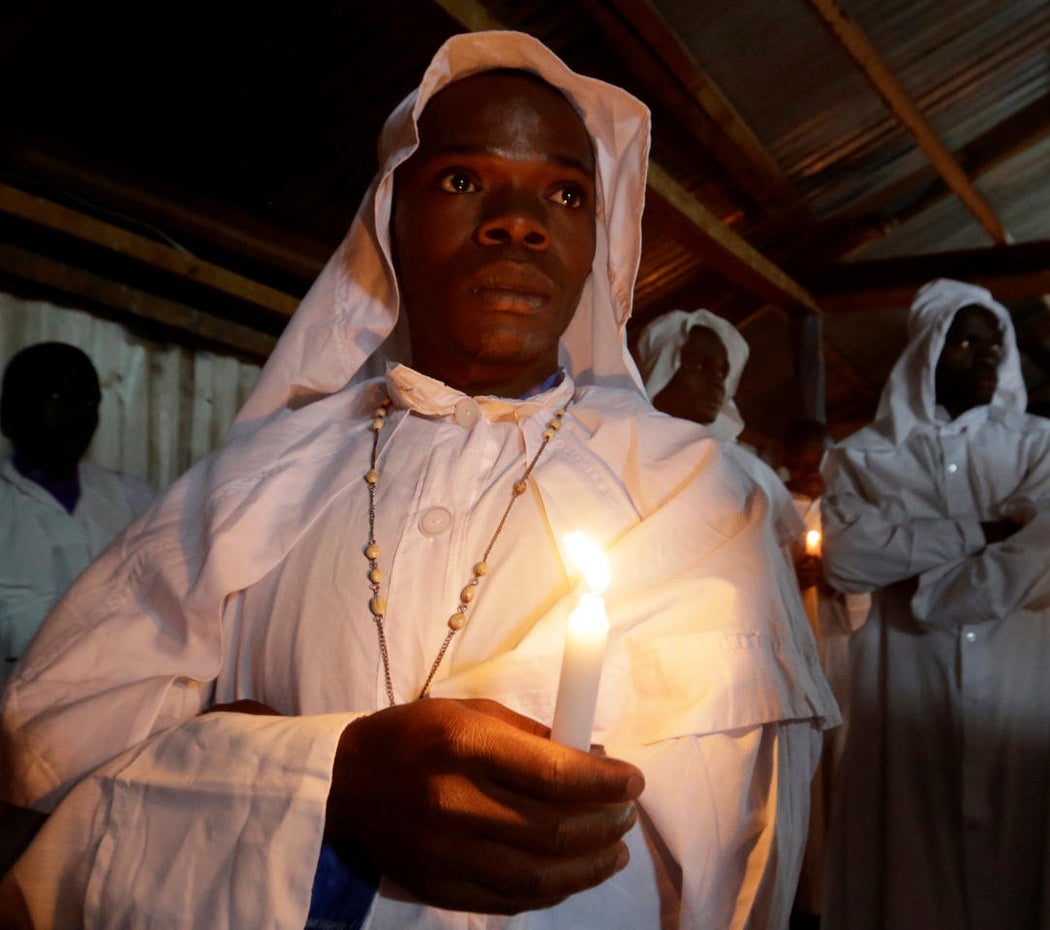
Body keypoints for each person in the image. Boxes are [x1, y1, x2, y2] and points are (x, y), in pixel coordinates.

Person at [0, 33, 835, 929]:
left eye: (564, 191)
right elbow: (47, 774)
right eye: (463, 180)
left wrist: (233, 754)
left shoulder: (694, 495)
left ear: (600, 241)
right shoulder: (248, 482)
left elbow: (726, 862)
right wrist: (328, 782)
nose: (518, 220)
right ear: (390, 220)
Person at [819, 278, 1050, 930]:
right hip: (911, 689)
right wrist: (980, 533)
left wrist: (929, 589)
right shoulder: (864, 458)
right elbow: (848, 559)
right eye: (966, 342)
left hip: (1028, 692)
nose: (986, 357)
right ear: (927, 352)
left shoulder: (1048, 449)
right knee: (915, 860)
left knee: (1038, 862)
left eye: (995, 343)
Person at [0, 342, 155, 688]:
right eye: (58, 399)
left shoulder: (134, 501)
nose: (78, 415)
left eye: (89, 403)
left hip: (119, 720)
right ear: (8, 414)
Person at [780, 418, 868, 929]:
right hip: (795, 649)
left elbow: (865, 600)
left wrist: (839, 583)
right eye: (805, 464)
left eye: (822, 464)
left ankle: (841, 885)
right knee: (804, 776)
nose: (814, 476)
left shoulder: (845, 513)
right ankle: (805, 891)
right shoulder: (773, 508)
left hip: (838, 649)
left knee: (841, 765)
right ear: (788, 462)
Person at [633, 308, 805, 553]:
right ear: (661, 367)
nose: (717, 382)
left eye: (722, 372)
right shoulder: (626, 452)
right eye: (699, 365)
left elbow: (777, 563)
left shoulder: (748, 470)